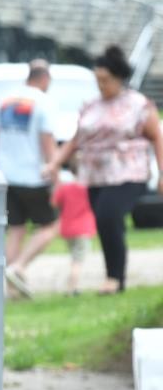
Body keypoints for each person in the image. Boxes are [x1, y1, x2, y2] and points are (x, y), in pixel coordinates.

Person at [45, 46, 163, 294]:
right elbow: (75, 140)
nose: (101, 85)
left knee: (108, 216)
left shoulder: (138, 105)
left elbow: (157, 137)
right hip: (95, 175)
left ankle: (114, 277)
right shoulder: (91, 106)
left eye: (105, 80)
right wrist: (55, 163)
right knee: (106, 222)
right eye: (97, 80)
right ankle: (115, 278)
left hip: (129, 173)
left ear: (119, 78)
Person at [0, 60, 58, 298]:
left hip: (7, 176)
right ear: (45, 78)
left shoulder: (6, 100)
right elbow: (47, 141)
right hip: (34, 176)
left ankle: (5, 287)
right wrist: (54, 171)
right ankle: (18, 268)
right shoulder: (43, 101)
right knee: (49, 226)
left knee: (16, 229)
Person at [51, 168, 96, 296]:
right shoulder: (88, 189)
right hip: (83, 228)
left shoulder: (65, 188)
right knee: (78, 259)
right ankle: (72, 288)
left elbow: (54, 203)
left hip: (67, 228)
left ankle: (71, 286)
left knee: (74, 257)